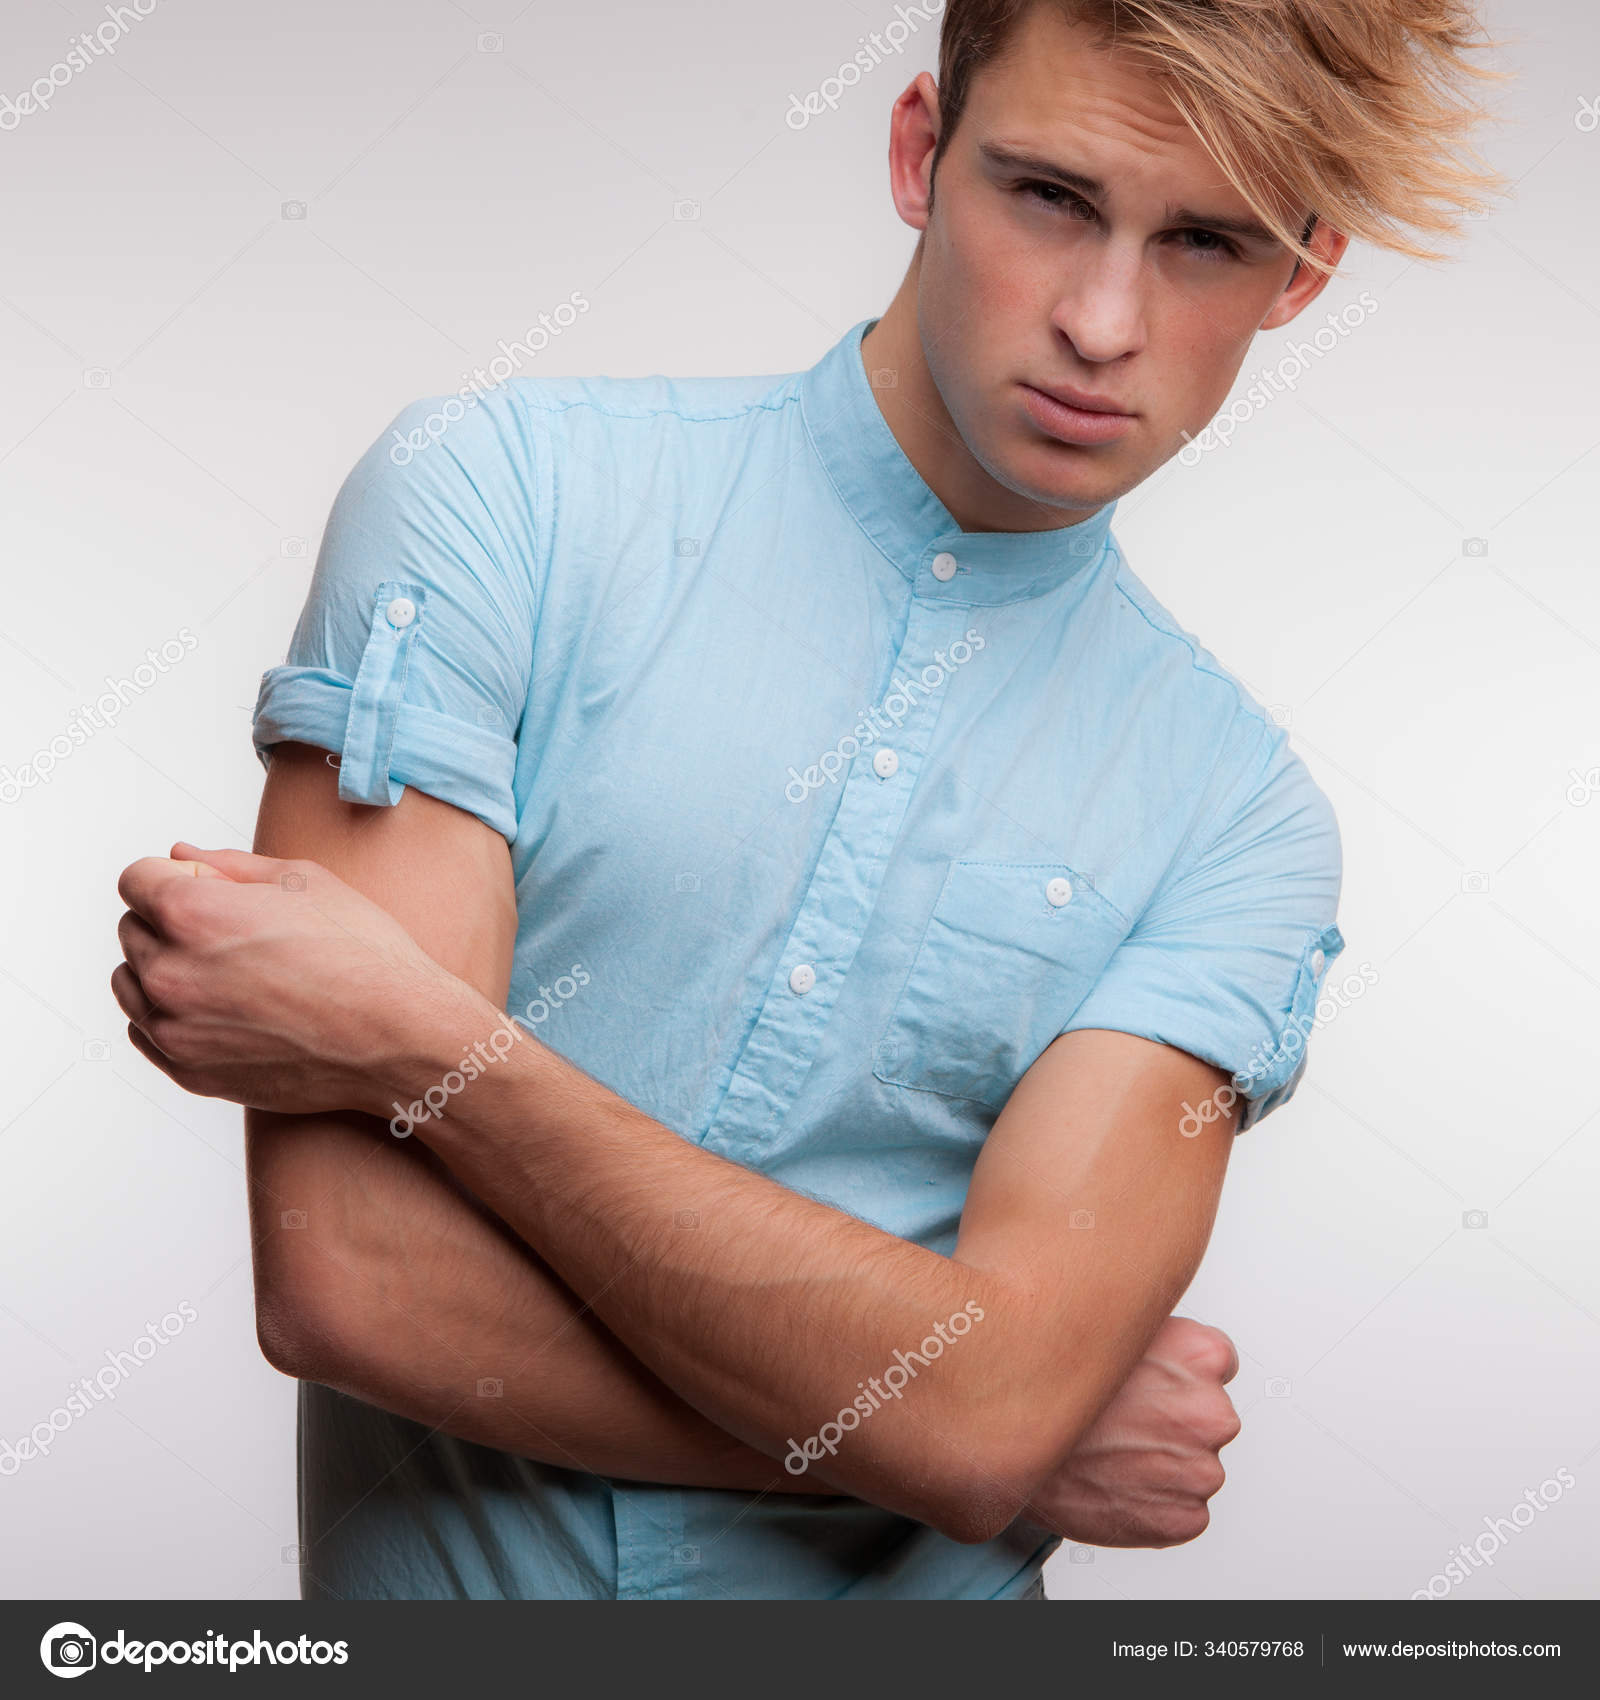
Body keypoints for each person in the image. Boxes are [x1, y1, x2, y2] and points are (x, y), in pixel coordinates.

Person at [112, 0, 1500, 1600]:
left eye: (1206, 242)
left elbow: (985, 1417)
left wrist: (438, 1050)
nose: (1105, 322)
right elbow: (356, 1283)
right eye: (1048, 197)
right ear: (920, 152)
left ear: (1301, 276)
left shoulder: (1240, 820)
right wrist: (970, 1437)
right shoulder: (502, 503)